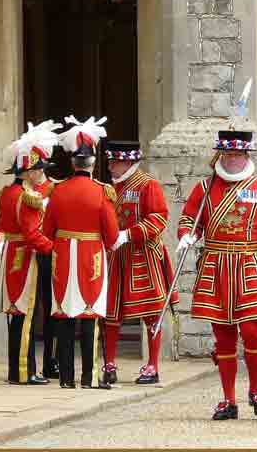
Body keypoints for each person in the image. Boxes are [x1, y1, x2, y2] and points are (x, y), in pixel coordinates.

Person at [177, 129, 257, 420]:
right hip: (216, 265)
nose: (234, 159)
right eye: (229, 154)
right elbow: (189, 218)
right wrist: (186, 235)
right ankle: (228, 398)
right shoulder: (204, 188)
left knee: (253, 334)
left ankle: (256, 388)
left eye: (239, 154)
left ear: (247, 156)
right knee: (224, 337)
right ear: (221, 155)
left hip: (249, 264)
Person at [42, 116, 119, 390]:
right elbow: (111, 235)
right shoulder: (102, 192)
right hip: (91, 255)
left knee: (64, 315)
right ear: (93, 162)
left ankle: (65, 378)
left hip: (63, 254)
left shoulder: (58, 190)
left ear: (72, 162)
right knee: (90, 315)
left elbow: (46, 229)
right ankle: (88, 377)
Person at [102, 140, 178, 385]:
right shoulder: (107, 188)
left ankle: (153, 365)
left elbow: (158, 219)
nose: (111, 166)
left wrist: (128, 234)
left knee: (152, 311)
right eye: (110, 161)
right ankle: (109, 363)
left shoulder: (148, 185)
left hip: (142, 254)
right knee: (111, 311)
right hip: (115, 255)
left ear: (129, 162)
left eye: (116, 162)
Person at [0, 121, 61, 384]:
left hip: (12, 254)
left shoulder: (7, 193)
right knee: (27, 314)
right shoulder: (28, 197)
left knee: (16, 314)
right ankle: (25, 371)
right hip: (27, 256)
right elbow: (32, 234)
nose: (39, 174)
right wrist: (54, 250)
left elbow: (2, 226)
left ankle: (16, 371)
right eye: (36, 169)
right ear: (29, 171)